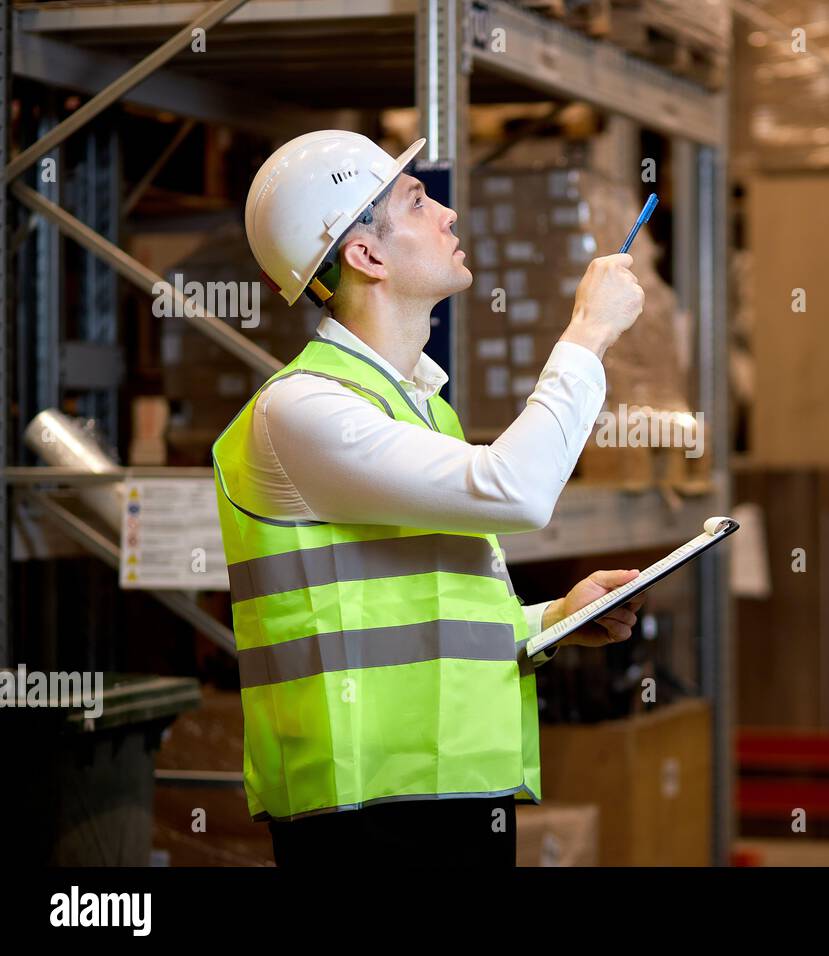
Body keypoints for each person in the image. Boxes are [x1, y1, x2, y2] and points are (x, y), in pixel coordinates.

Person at [213, 130, 646, 866]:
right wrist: (589, 331)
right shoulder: (305, 411)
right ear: (366, 255)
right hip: (364, 809)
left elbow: (421, 614)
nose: (447, 213)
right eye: (416, 201)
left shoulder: (419, 408)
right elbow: (518, 489)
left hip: (455, 788)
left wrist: (550, 620)